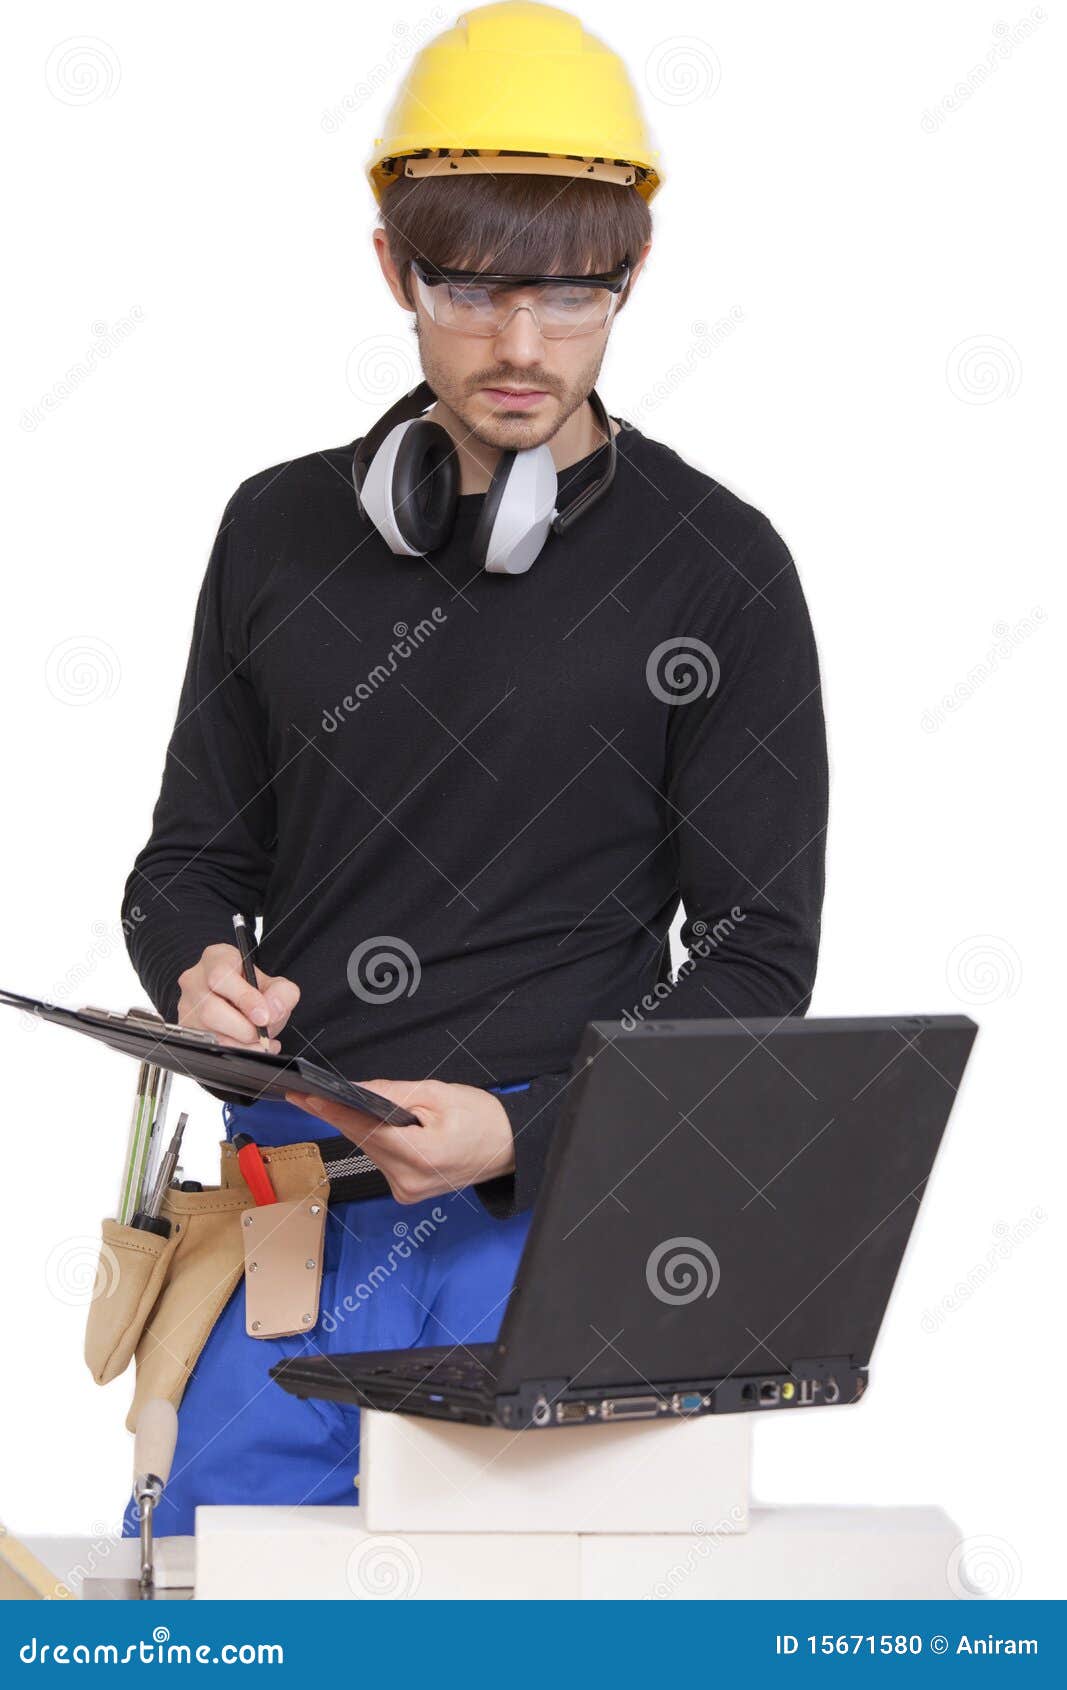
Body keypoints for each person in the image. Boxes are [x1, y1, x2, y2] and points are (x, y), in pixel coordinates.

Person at [119, 0, 828, 1535]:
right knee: (219, 1612)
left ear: (636, 274)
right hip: (288, 1225)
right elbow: (189, 859)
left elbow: (761, 960)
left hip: (570, 1229)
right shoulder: (276, 534)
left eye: (573, 300)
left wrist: (531, 1126)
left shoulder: (722, 569)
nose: (522, 348)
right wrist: (197, 962)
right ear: (394, 266)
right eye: (474, 290)